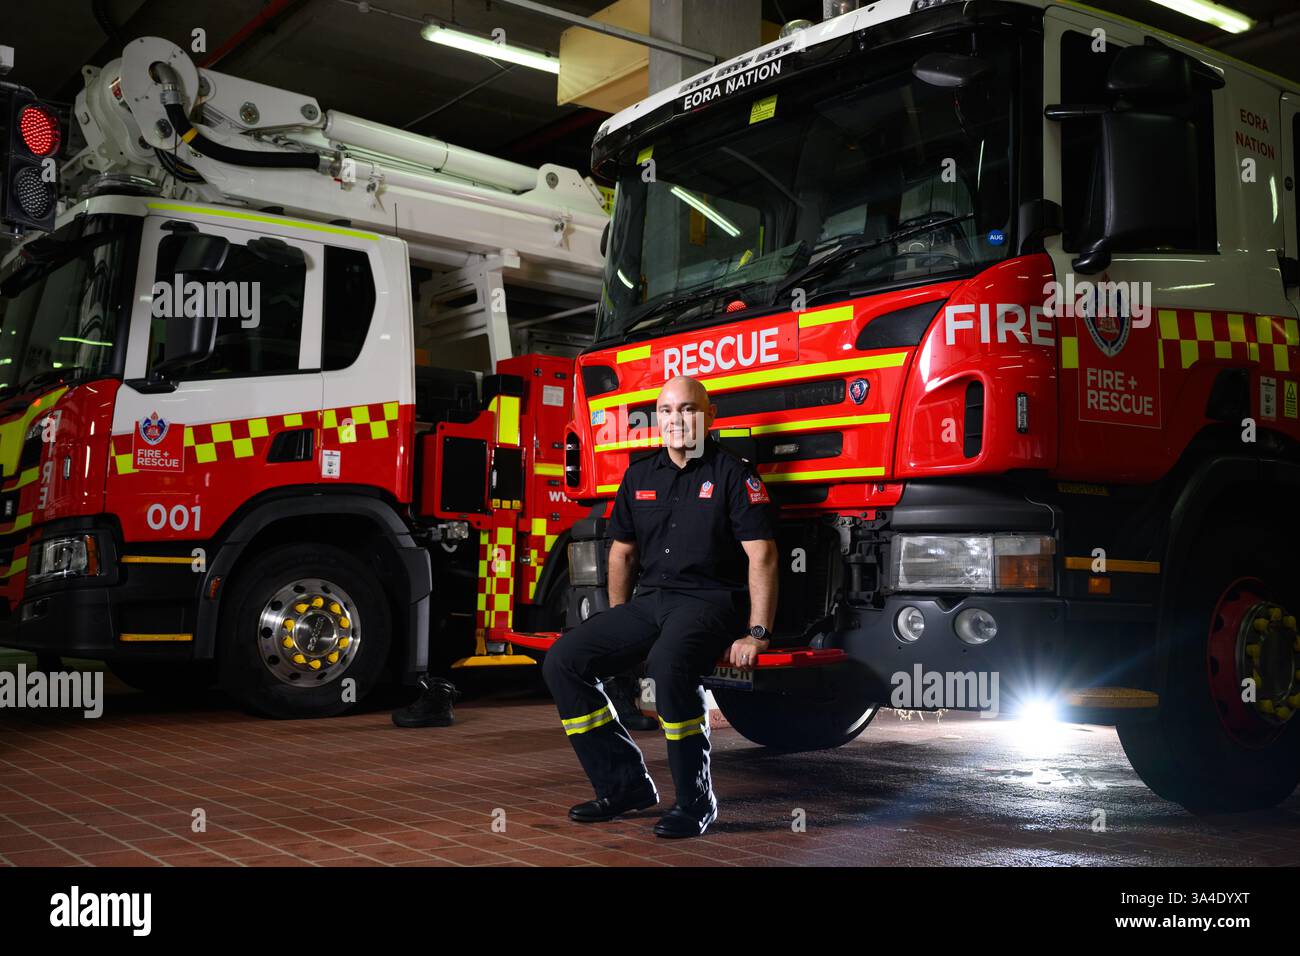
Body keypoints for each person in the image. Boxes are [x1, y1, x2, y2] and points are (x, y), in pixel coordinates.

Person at [542, 375, 778, 838]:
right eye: (667, 411)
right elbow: (621, 553)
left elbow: (762, 555)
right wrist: (615, 615)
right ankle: (624, 785)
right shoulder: (640, 475)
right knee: (564, 660)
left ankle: (695, 801)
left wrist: (757, 634)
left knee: (670, 667)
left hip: (708, 604)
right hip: (649, 603)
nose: (676, 420)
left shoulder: (734, 474)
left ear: (709, 417)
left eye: (688, 409)